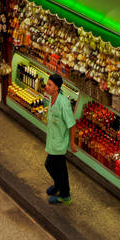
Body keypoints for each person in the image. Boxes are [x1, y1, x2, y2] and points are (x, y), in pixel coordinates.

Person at [43, 72, 85, 205]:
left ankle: (65, 195)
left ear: (56, 88)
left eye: (49, 84)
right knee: (54, 167)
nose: (47, 86)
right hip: (53, 140)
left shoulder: (64, 103)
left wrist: (72, 144)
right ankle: (58, 186)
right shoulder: (52, 98)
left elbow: (72, 125)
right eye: (47, 83)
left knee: (54, 167)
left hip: (60, 144)